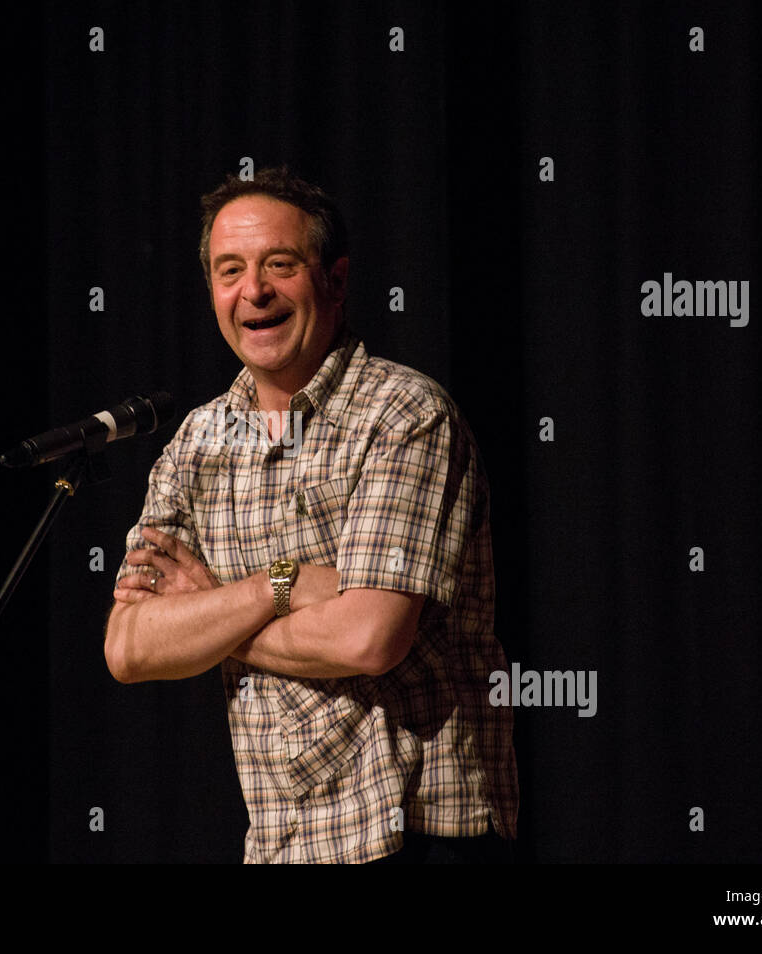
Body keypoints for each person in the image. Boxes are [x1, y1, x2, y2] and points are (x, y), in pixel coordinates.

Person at [104, 167, 518, 863]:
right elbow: (130, 647)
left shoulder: (404, 414)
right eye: (229, 270)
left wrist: (212, 619)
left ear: (335, 278)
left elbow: (367, 639)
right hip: (283, 842)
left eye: (280, 265)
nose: (254, 290)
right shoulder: (199, 441)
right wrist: (280, 586)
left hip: (417, 833)